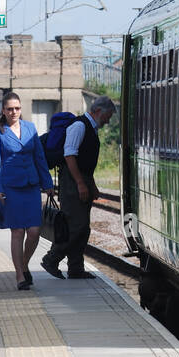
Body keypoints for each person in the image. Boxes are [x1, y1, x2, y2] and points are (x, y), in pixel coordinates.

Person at [42, 97, 116, 280]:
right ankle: (51, 258)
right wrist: (80, 183)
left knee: (83, 228)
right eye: (108, 115)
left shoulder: (91, 128)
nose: (108, 120)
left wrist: (92, 185)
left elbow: (86, 160)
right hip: (72, 180)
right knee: (76, 225)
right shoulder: (79, 126)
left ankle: (75, 268)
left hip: (83, 178)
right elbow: (69, 155)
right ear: (99, 111)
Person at [0, 90, 54, 290]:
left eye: (17, 108)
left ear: (20, 109)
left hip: (31, 185)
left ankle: (24, 264)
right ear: (3, 111)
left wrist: (48, 183)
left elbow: (39, 157)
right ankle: (19, 275)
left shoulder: (30, 127)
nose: (14, 112)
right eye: (10, 109)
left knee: (34, 231)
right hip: (10, 187)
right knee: (17, 231)